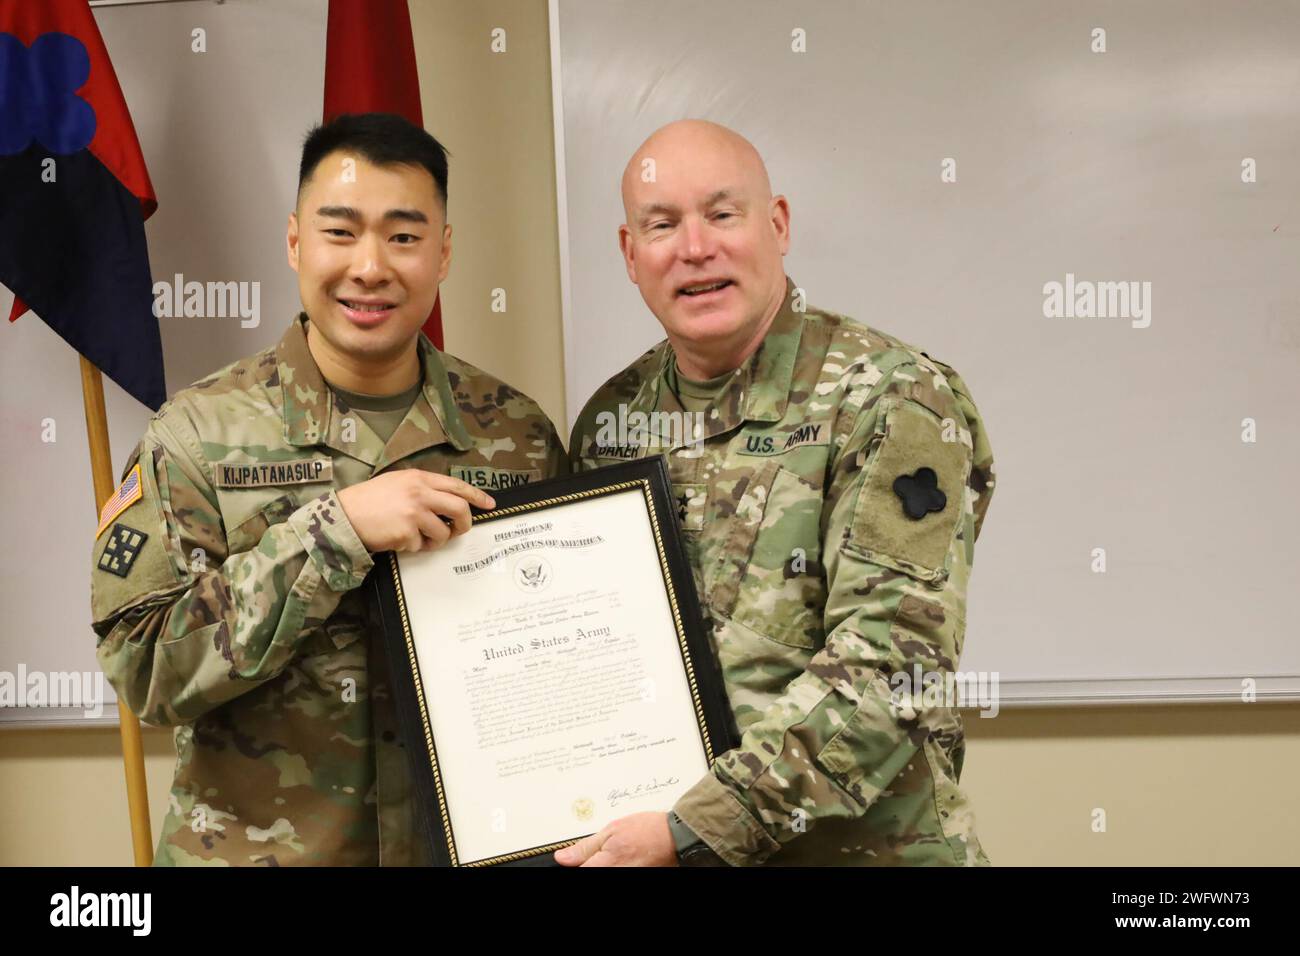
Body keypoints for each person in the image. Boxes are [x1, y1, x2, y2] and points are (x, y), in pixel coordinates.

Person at [90, 113, 567, 866]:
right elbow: (144, 671)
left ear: (444, 253)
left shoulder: (519, 435)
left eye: (404, 236)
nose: (370, 267)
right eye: (340, 232)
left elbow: (567, 652)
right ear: (294, 242)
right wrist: (332, 533)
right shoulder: (196, 434)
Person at [560, 119, 996, 867]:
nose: (695, 248)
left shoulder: (889, 398)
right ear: (632, 256)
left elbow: (893, 664)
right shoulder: (611, 423)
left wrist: (695, 829)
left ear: (778, 223)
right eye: (662, 225)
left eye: (722, 214)